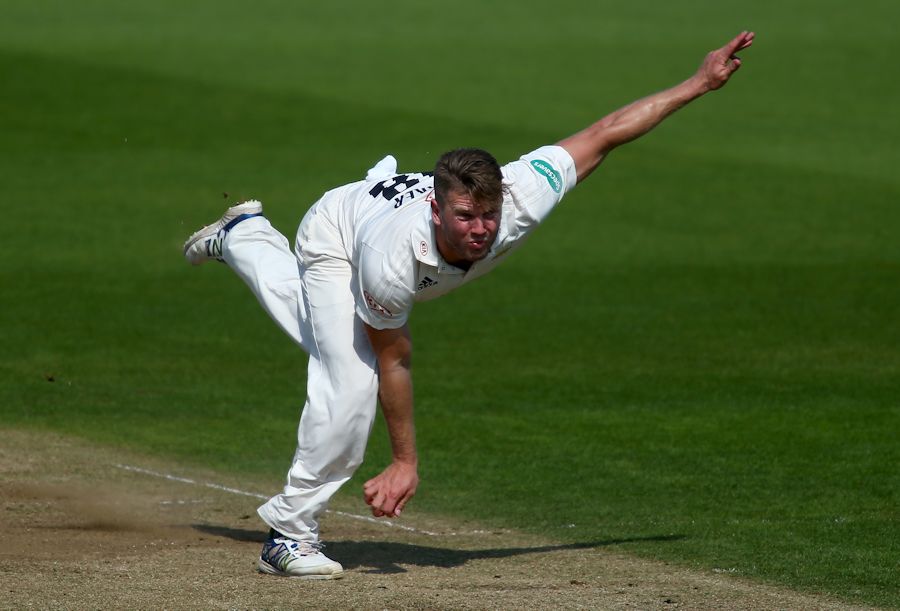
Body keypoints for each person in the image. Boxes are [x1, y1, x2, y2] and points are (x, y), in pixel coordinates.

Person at [183, 31, 754, 579]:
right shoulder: (391, 259)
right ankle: (289, 534)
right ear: (437, 211)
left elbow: (604, 134)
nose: (481, 230)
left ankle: (243, 235)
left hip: (371, 222)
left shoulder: (523, 193)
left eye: (489, 215)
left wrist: (698, 83)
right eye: (464, 217)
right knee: (351, 378)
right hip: (339, 235)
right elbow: (394, 359)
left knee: (328, 335)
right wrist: (405, 461)